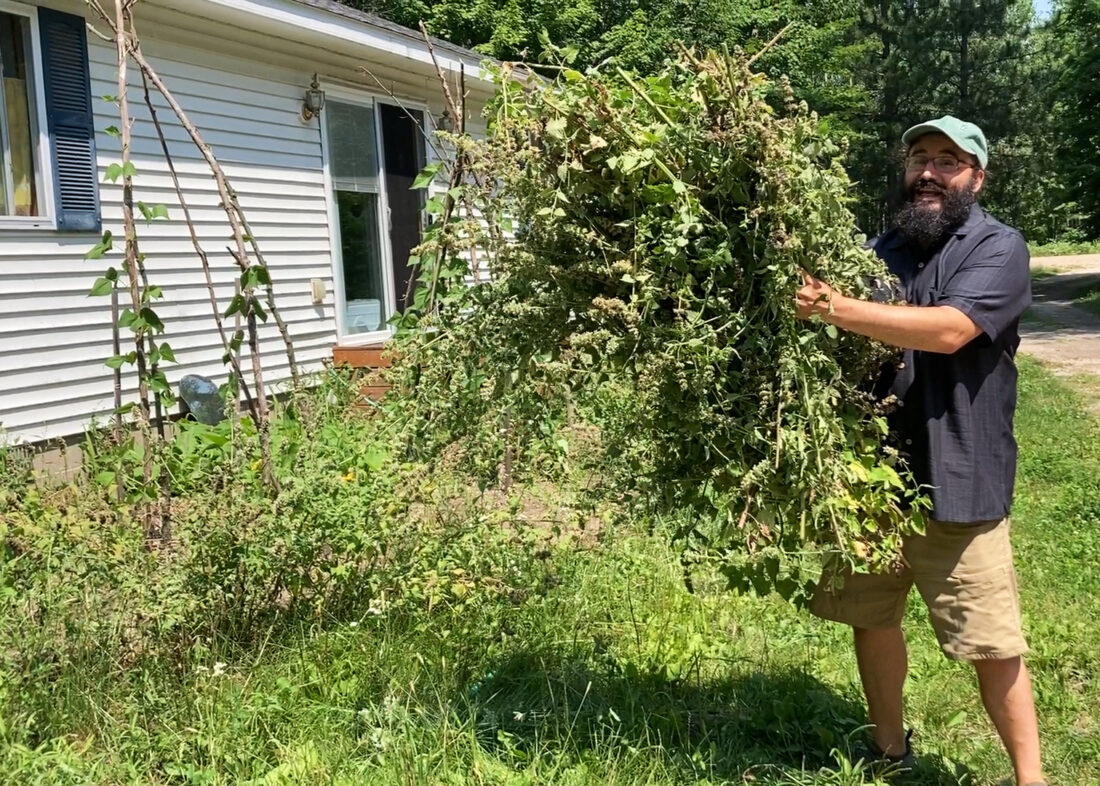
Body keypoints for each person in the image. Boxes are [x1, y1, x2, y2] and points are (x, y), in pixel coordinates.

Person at [794, 116, 1045, 786]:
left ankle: (1032, 778)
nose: (930, 171)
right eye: (920, 157)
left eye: (949, 160)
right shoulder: (882, 249)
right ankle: (888, 748)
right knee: (870, 616)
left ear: (977, 176)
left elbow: (950, 330)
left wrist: (830, 307)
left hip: (959, 474)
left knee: (991, 643)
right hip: (871, 477)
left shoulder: (999, 247)